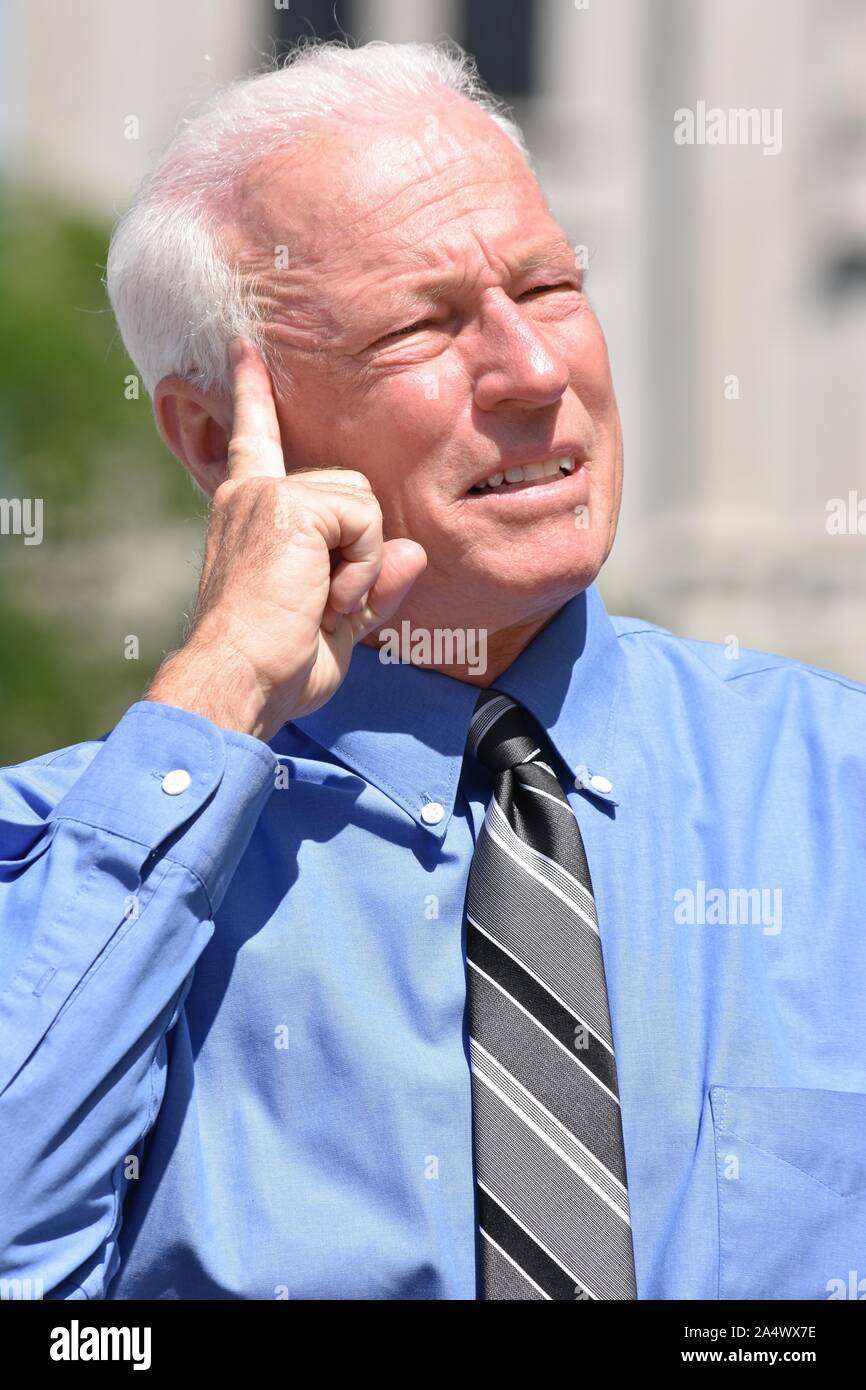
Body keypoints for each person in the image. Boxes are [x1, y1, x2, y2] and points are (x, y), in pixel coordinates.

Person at [1, 40, 864, 1303]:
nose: (531, 371)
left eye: (549, 285)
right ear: (210, 434)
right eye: (421, 325)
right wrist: (225, 674)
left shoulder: (835, 797)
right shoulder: (64, 859)